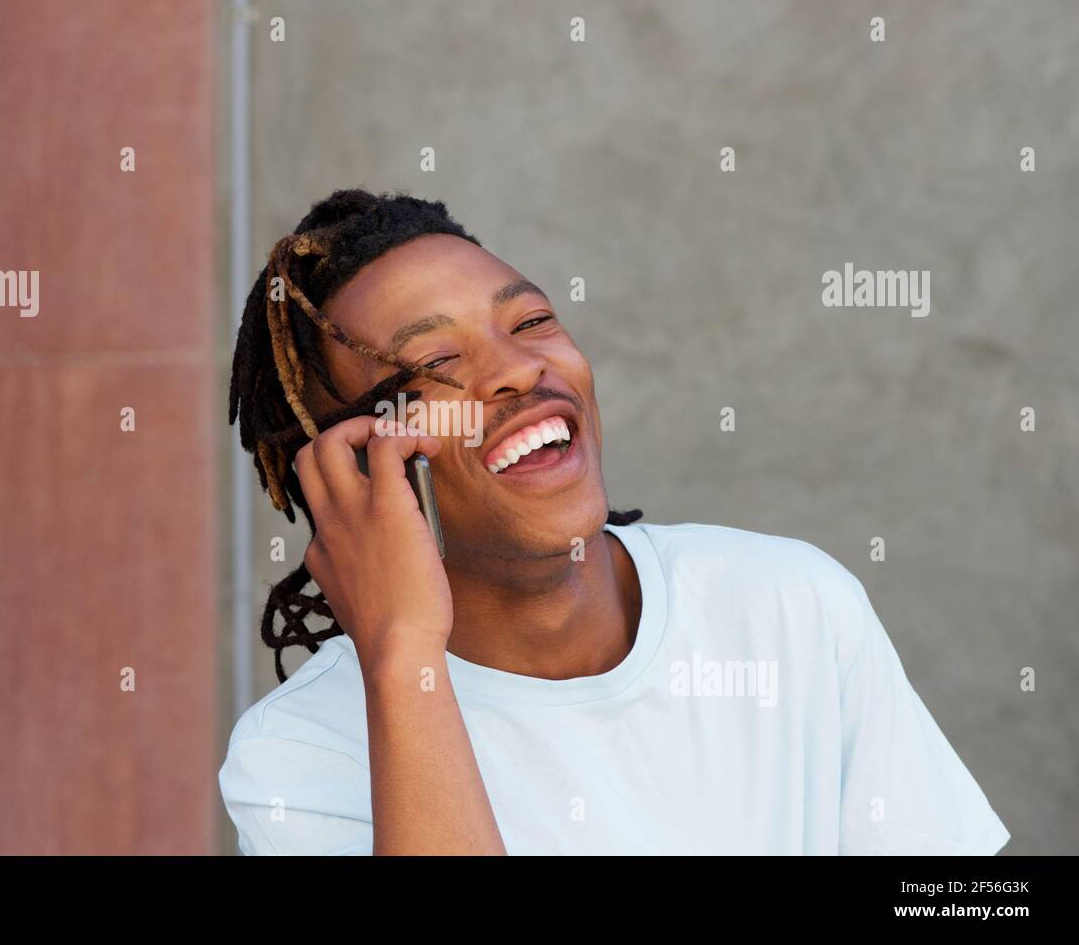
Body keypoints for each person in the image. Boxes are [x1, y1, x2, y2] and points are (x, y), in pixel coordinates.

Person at [218, 188, 1010, 855]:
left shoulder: (790, 605)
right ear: (352, 473)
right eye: (434, 366)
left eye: (530, 322)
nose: (522, 369)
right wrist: (403, 658)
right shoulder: (300, 755)